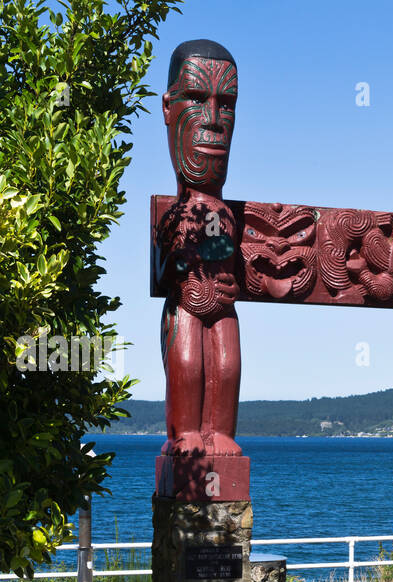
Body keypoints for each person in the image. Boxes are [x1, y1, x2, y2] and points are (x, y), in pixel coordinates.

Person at [154, 39, 242, 457]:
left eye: (226, 104)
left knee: (226, 366)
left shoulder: (232, 213)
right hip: (186, 304)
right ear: (168, 108)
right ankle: (186, 431)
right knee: (187, 361)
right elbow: (163, 266)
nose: (213, 120)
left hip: (223, 305)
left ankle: (221, 432)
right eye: (195, 99)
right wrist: (181, 264)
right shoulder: (173, 214)